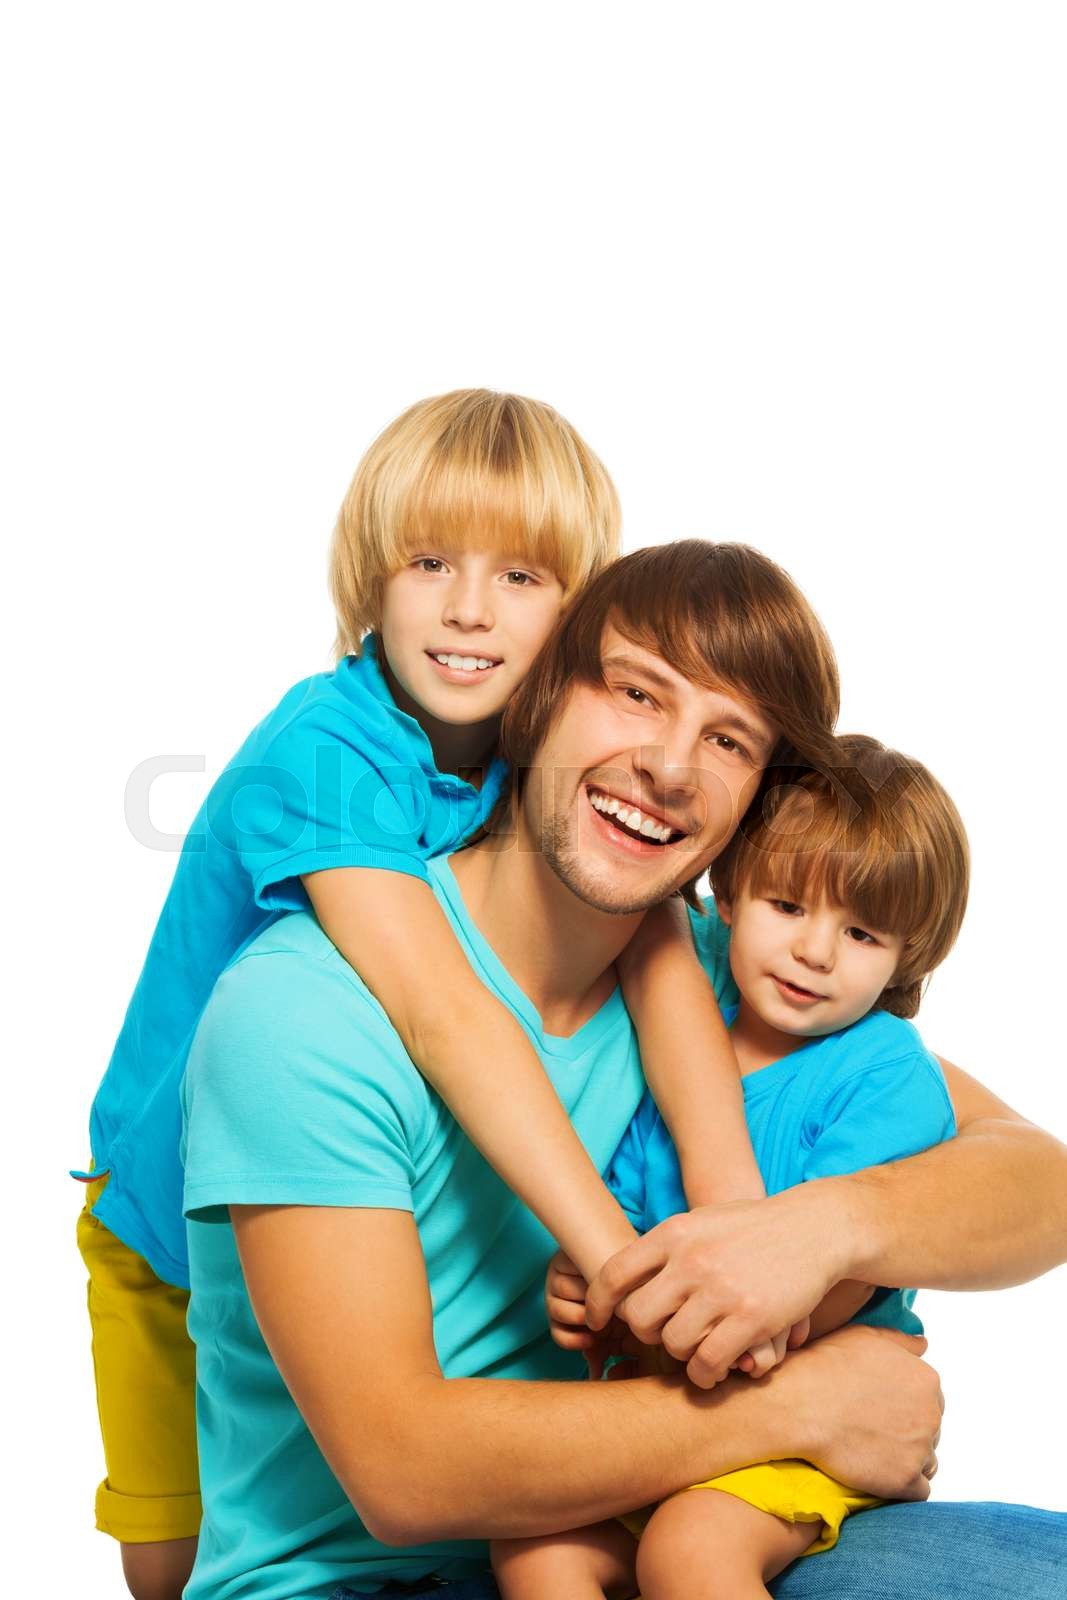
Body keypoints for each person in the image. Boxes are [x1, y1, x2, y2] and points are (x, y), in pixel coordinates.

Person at [179, 541, 1067, 1600]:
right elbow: (404, 1471)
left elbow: (1032, 1178)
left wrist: (820, 1230)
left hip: (651, 1511)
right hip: (371, 1576)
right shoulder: (303, 1008)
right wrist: (804, 1405)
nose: (670, 766)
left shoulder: (713, 971)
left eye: (727, 740)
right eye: (636, 693)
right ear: (542, 697)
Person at [74, 395, 773, 1600]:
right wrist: (611, 1255)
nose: (466, 609)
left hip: (334, 1190)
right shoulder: (323, 748)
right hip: (159, 1214)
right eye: (429, 563)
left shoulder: (527, 746)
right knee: (172, 1564)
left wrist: (743, 1225)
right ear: (368, 580)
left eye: (519, 576)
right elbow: (442, 1008)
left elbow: (648, 925)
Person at [492, 735, 970, 1599]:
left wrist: (657, 1320)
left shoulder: (887, 1073)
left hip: (809, 1425)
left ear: (909, 956)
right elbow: (623, 1226)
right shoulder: (676, 1036)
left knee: (691, 1548)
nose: (815, 953)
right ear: (730, 890)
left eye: (861, 932)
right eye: (788, 907)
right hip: (661, 1410)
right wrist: (586, 1288)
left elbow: (825, 1293)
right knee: (534, 1548)